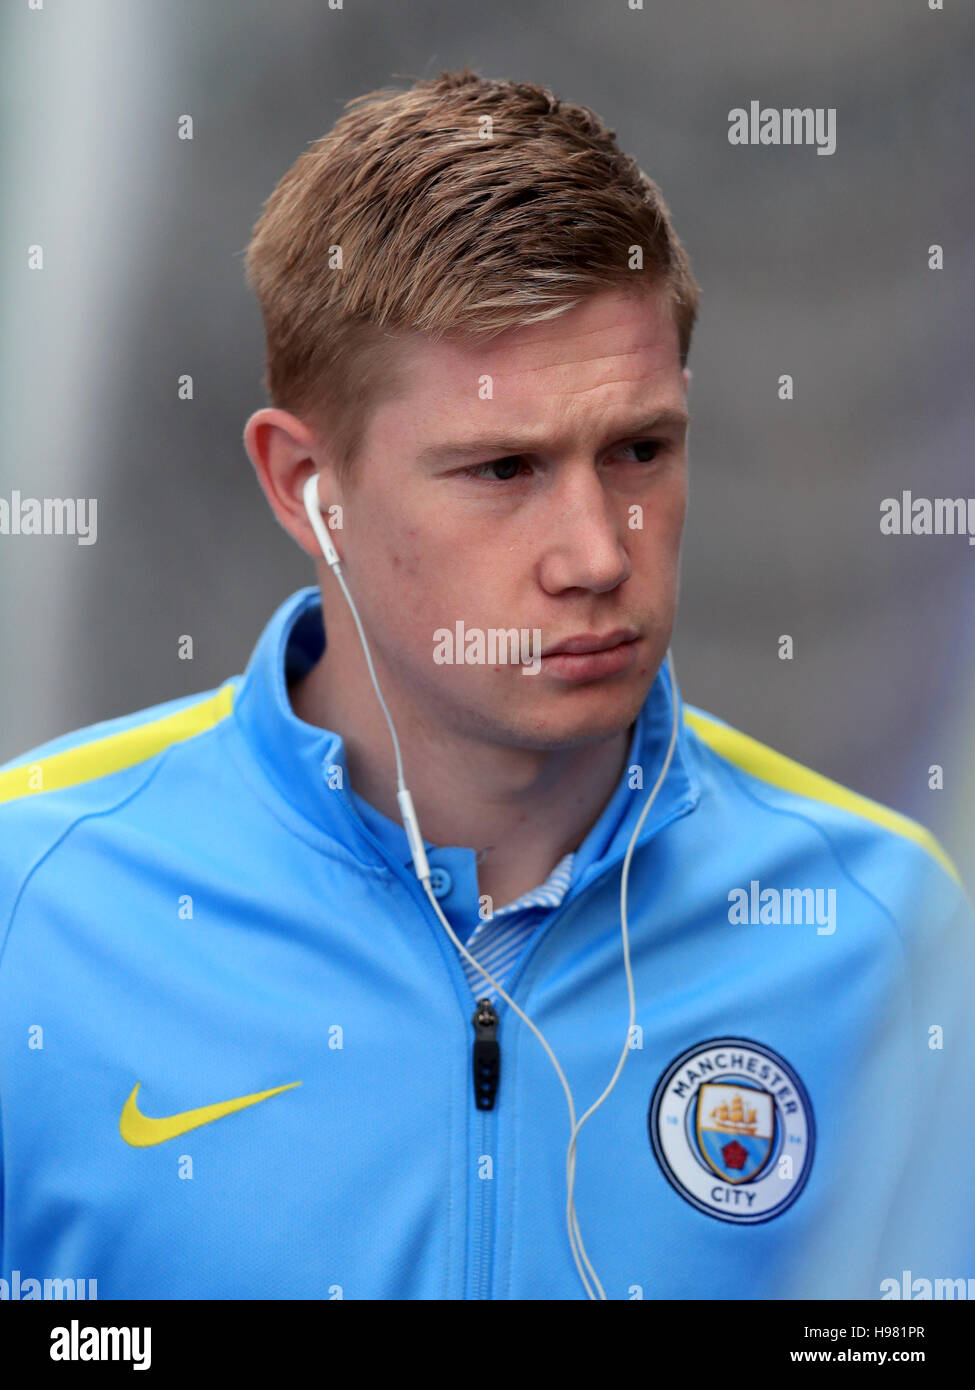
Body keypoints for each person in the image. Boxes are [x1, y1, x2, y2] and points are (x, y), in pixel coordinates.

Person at [1, 67, 973, 1303]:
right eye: (504, 469)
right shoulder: (32, 908)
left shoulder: (880, 930)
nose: (598, 554)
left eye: (639, 449)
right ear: (308, 485)